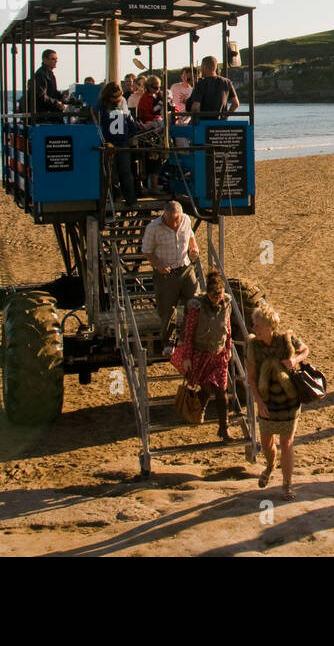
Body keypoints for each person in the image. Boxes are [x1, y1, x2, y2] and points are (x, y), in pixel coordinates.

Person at [247, 300, 309, 500]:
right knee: (266, 443)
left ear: (268, 326)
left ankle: (287, 485)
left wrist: (294, 360)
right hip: (267, 400)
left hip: (289, 400)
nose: (254, 328)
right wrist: (259, 402)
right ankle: (270, 464)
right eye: (254, 324)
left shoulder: (286, 340)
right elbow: (251, 378)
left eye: (257, 325)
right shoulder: (253, 346)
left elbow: (305, 350)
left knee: (287, 441)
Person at [178, 271, 235, 443]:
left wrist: (228, 346)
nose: (216, 299)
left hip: (218, 355)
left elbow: (227, 326)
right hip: (201, 353)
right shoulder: (197, 308)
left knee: (221, 393)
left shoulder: (226, 305)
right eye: (213, 296)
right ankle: (197, 410)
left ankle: (224, 428)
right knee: (207, 389)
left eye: (218, 296)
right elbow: (189, 333)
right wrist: (187, 357)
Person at [142, 201, 199, 344]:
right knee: (167, 310)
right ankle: (168, 342)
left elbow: (191, 235)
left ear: (181, 215)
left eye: (177, 219)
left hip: (185, 268)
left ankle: (187, 339)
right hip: (165, 275)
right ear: (164, 216)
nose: (175, 224)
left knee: (195, 303)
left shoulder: (186, 219)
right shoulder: (153, 228)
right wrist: (158, 265)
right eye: (171, 220)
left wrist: (194, 248)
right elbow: (147, 251)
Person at [97, 83, 141, 207]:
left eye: (118, 96)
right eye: (114, 97)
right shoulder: (103, 106)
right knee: (113, 172)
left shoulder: (120, 102)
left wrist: (132, 131)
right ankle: (115, 196)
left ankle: (129, 199)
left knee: (124, 172)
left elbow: (128, 119)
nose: (117, 99)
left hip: (120, 142)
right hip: (110, 143)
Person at [187, 55, 240, 120]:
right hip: (221, 124)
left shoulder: (200, 83)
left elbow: (196, 106)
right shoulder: (227, 82)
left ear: (204, 67)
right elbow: (235, 104)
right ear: (215, 67)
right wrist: (225, 116)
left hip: (204, 124)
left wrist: (195, 121)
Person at [25, 48, 68, 115]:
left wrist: (64, 98)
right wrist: (57, 104)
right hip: (43, 114)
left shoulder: (49, 74)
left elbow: (53, 92)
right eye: (53, 59)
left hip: (48, 111)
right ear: (45, 60)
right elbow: (41, 96)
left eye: (56, 59)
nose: (56, 61)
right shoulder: (41, 75)